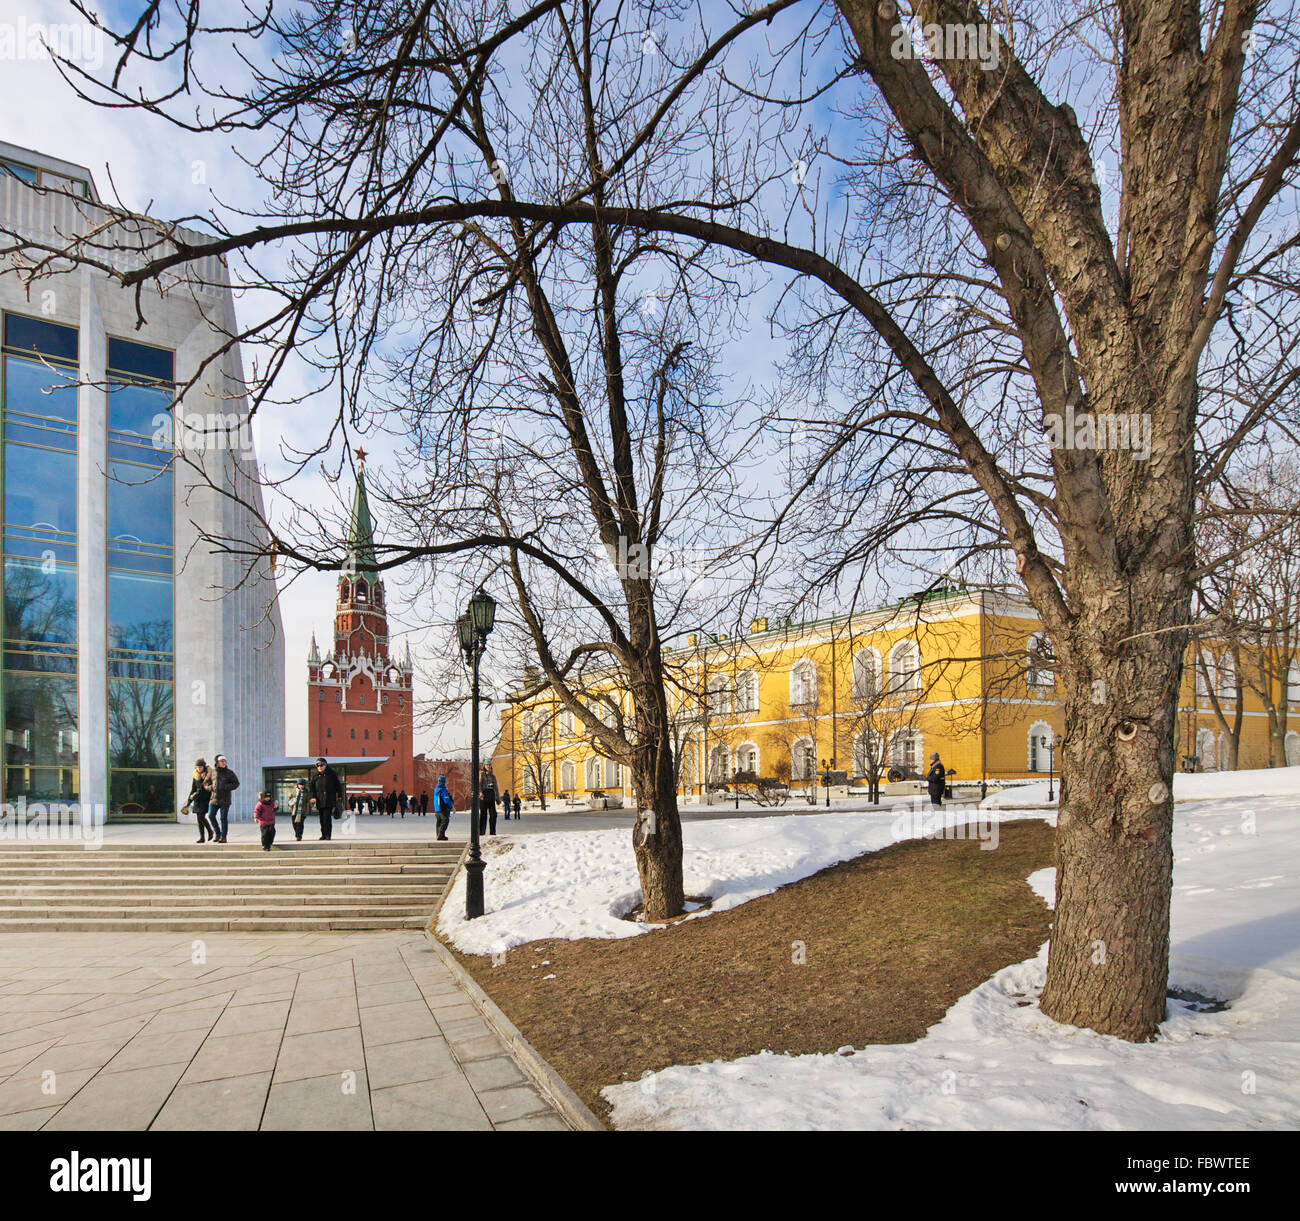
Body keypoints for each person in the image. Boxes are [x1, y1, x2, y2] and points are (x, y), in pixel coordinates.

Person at [205, 754, 239, 843]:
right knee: (210, 815)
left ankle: (223, 837)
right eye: (222, 761)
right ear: (217, 762)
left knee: (223, 818)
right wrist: (211, 788)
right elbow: (205, 783)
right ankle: (217, 833)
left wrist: (226, 787)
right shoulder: (212, 772)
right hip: (214, 799)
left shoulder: (229, 773)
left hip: (225, 799)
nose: (224, 763)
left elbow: (236, 783)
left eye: (225, 761)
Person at [311, 757, 343, 840]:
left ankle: (328, 835)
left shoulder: (332, 774)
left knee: (327, 818)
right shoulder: (315, 776)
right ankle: (323, 835)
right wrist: (313, 797)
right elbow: (312, 788)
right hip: (320, 800)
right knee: (321, 819)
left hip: (329, 800)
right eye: (317, 766)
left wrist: (339, 796)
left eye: (321, 765)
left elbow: (338, 786)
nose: (319, 767)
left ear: (325, 765)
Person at [188, 759, 215, 843]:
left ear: (204, 767)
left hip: (205, 799)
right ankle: (202, 837)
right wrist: (188, 802)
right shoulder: (195, 775)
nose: (199, 769)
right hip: (197, 800)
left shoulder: (208, 775)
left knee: (201, 817)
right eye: (197, 767)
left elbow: (212, 787)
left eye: (200, 767)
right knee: (199, 819)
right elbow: (193, 789)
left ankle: (210, 831)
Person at [479, 765, 498, 836]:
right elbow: (478, 785)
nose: (488, 766)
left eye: (489, 765)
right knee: (483, 815)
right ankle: (481, 832)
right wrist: (480, 793)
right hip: (484, 796)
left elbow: (496, 787)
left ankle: (493, 832)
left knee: (493, 815)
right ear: (484, 766)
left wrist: (497, 798)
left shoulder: (493, 776)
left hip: (491, 795)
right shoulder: (481, 775)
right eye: (487, 765)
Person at [433, 774, 453, 840]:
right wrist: (451, 807)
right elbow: (446, 800)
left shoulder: (436, 790)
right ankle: (440, 835)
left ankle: (439, 835)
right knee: (445, 820)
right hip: (442, 809)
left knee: (439, 822)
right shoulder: (443, 790)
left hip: (437, 809)